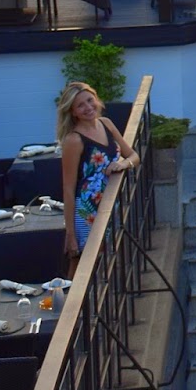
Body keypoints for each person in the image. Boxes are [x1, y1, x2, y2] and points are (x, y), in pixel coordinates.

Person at [57, 82, 138, 262]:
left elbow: (133, 155)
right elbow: (68, 189)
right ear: (73, 112)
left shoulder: (106, 124)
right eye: (80, 105)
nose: (88, 107)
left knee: (111, 263)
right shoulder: (73, 140)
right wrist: (70, 233)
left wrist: (124, 164)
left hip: (111, 205)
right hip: (88, 212)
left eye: (89, 100)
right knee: (87, 265)